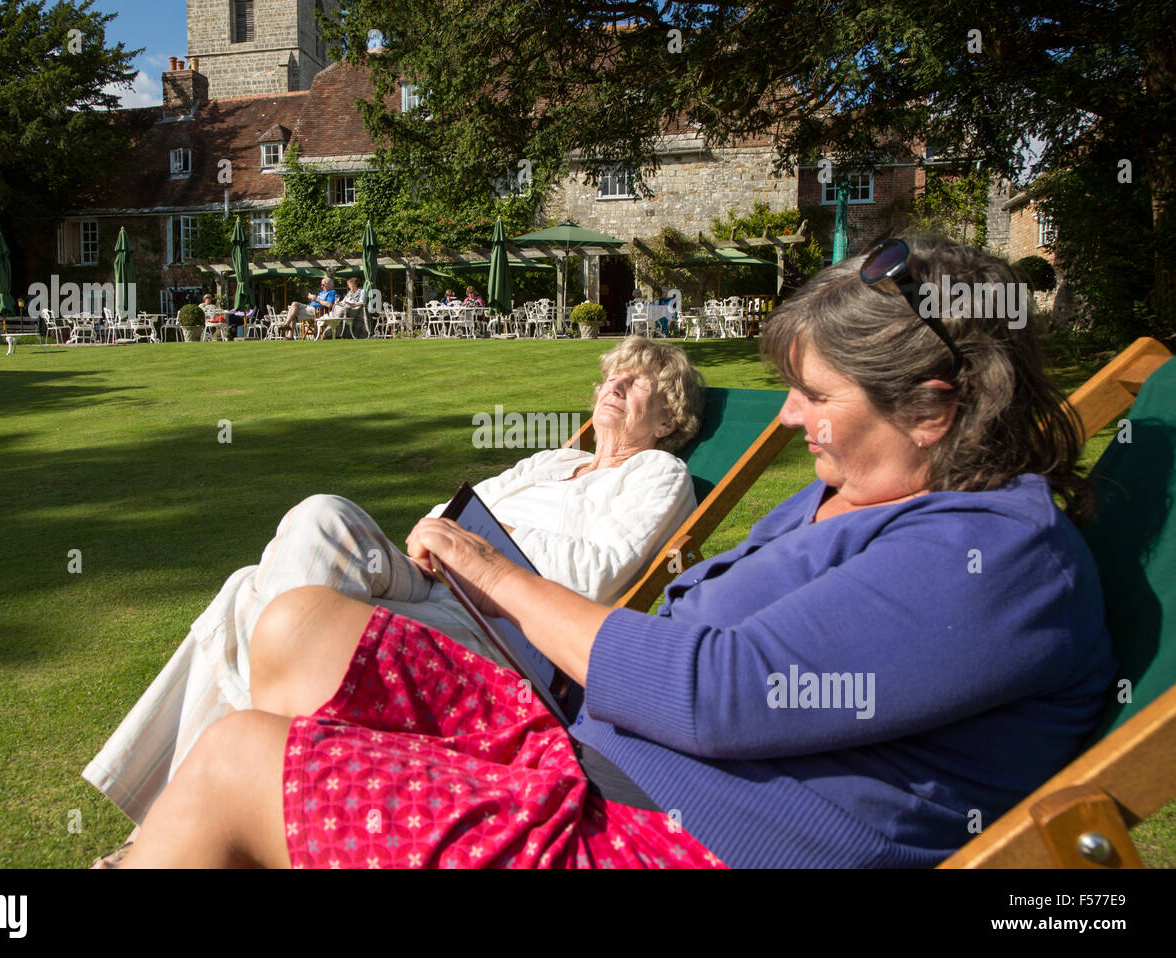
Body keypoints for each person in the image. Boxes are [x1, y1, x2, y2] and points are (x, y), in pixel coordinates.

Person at [118, 235, 1115, 869]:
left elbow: (721, 689)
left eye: (817, 394)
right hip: (590, 752)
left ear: (933, 410)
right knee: (297, 623)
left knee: (235, 764)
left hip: (657, 837)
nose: (790, 416)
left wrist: (500, 580)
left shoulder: (997, 559)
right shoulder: (846, 499)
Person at [86, 337, 706, 843]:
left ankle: (177, 824)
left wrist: (489, 546)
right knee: (321, 517)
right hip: (440, 579)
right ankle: (236, 790)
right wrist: (452, 538)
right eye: (610, 378)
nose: (615, 388)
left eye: (638, 382)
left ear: (671, 417)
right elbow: (450, 510)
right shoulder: (550, 461)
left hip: (508, 629)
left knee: (249, 590)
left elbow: (596, 574)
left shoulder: (659, 474)